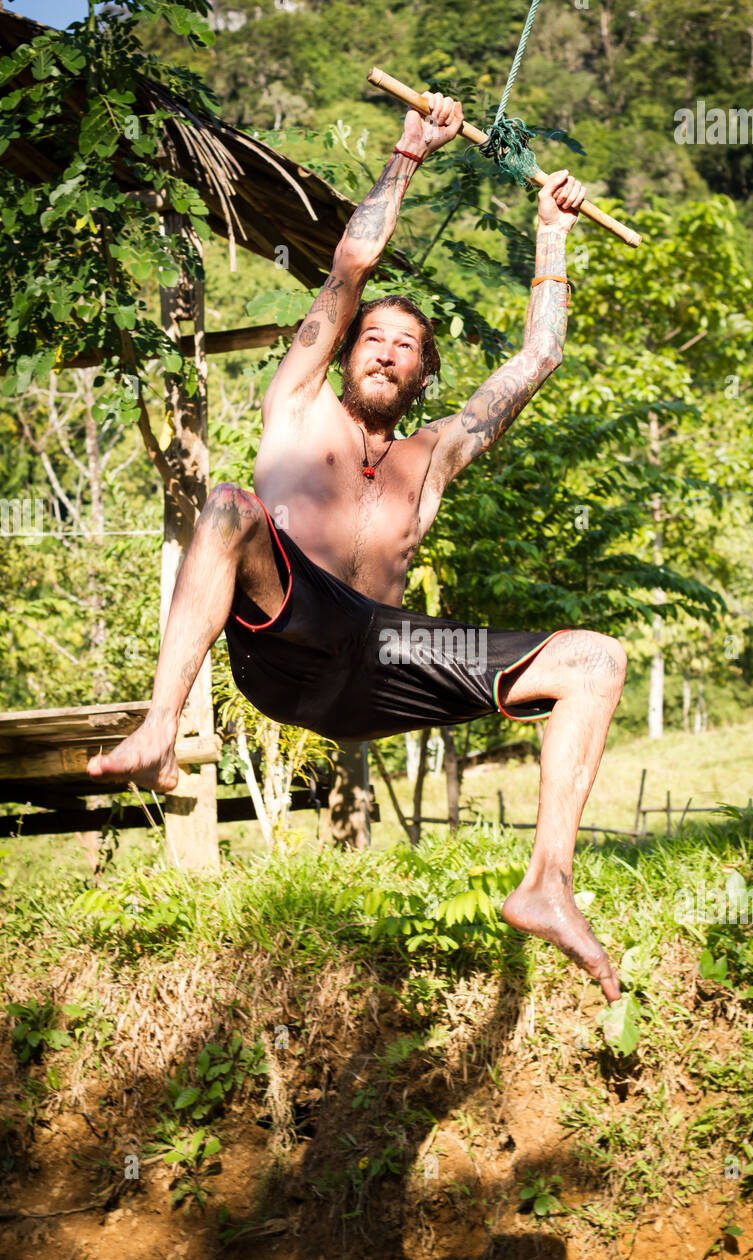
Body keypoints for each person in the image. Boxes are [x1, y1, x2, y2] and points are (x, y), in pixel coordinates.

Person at [88, 93, 626, 1001]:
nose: (383, 350)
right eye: (371, 337)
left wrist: (551, 231)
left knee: (596, 660)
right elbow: (351, 260)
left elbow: (536, 360)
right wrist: (408, 155)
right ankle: (157, 729)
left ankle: (547, 886)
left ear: (424, 372)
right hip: (283, 643)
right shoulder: (299, 403)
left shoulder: (437, 453)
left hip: (384, 659)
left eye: (405, 344)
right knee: (227, 504)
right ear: (341, 353)